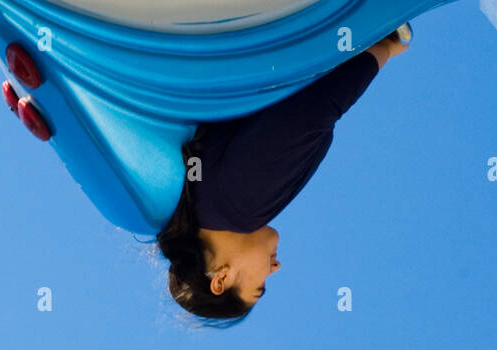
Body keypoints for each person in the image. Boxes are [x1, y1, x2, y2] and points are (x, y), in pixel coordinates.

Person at [156, 31, 410, 325]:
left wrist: (381, 50)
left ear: (221, 279)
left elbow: (315, 109)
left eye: (259, 287)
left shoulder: (240, 208)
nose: (275, 267)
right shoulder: (197, 200)